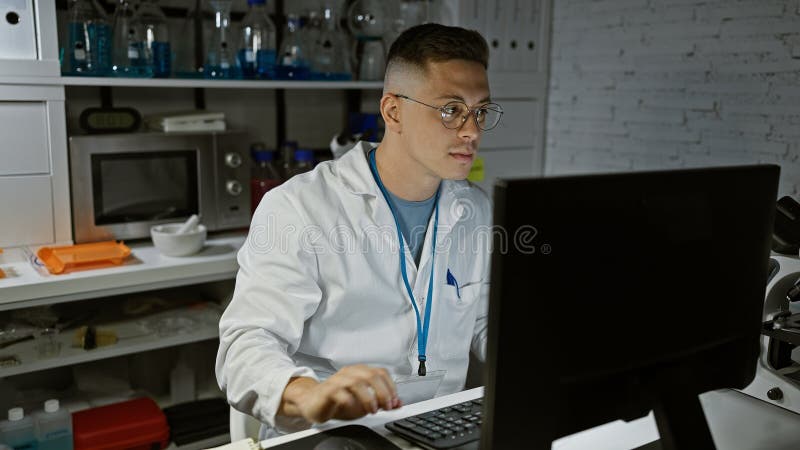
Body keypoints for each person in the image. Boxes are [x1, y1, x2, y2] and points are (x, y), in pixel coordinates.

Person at [216, 23, 504, 438]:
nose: (471, 131)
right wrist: (308, 394)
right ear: (393, 111)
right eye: (451, 110)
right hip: (330, 433)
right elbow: (245, 344)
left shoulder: (473, 208)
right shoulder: (299, 207)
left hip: (435, 429)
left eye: (480, 112)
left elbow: (482, 319)